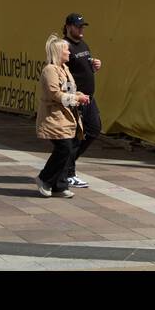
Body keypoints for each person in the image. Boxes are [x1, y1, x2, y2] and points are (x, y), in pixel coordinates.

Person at [35, 33, 90, 198]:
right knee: (64, 148)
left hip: (67, 118)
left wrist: (80, 95)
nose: (69, 52)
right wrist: (76, 98)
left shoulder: (65, 69)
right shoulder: (50, 70)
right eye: (66, 49)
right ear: (59, 52)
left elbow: (69, 90)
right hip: (55, 117)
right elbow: (55, 94)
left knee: (70, 148)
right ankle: (44, 178)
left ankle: (60, 185)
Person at [62, 13, 101, 189]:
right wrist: (73, 98)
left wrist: (94, 66)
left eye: (82, 26)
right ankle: (68, 173)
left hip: (89, 98)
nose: (81, 29)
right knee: (76, 136)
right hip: (77, 98)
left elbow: (84, 67)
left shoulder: (82, 44)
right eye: (78, 26)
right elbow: (62, 73)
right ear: (69, 26)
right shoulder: (64, 46)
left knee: (94, 129)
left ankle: (66, 166)